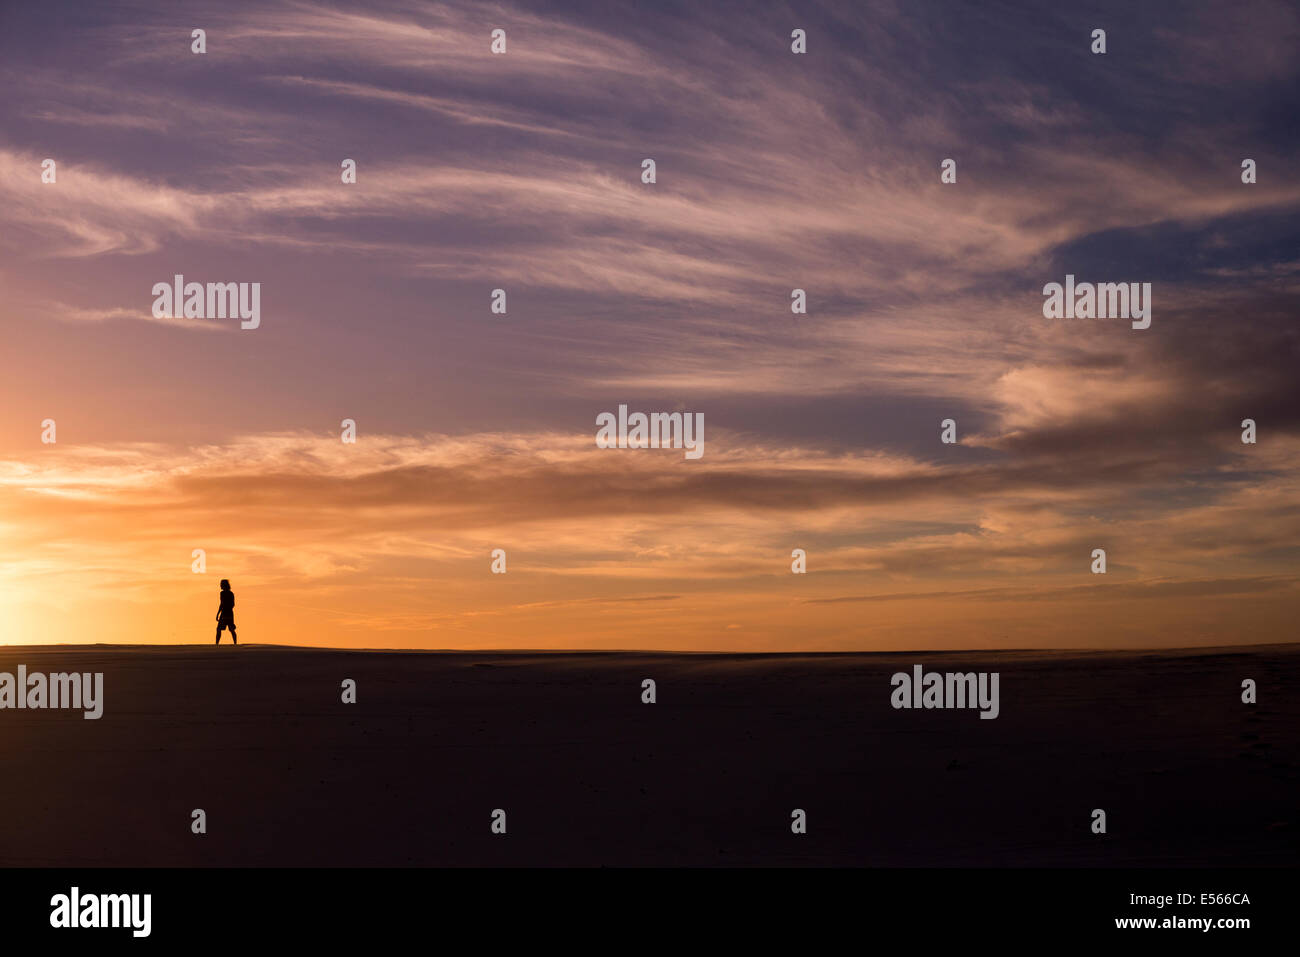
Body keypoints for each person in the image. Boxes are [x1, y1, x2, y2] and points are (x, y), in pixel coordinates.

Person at [215, 579, 237, 645]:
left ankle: (235, 643)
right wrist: (218, 613)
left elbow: (231, 604)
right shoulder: (224, 593)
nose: (220, 586)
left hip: (226, 613)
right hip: (226, 613)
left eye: (221, 584)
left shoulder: (228, 593)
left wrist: (220, 613)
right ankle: (217, 643)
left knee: (229, 629)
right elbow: (222, 604)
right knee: (229, 629)